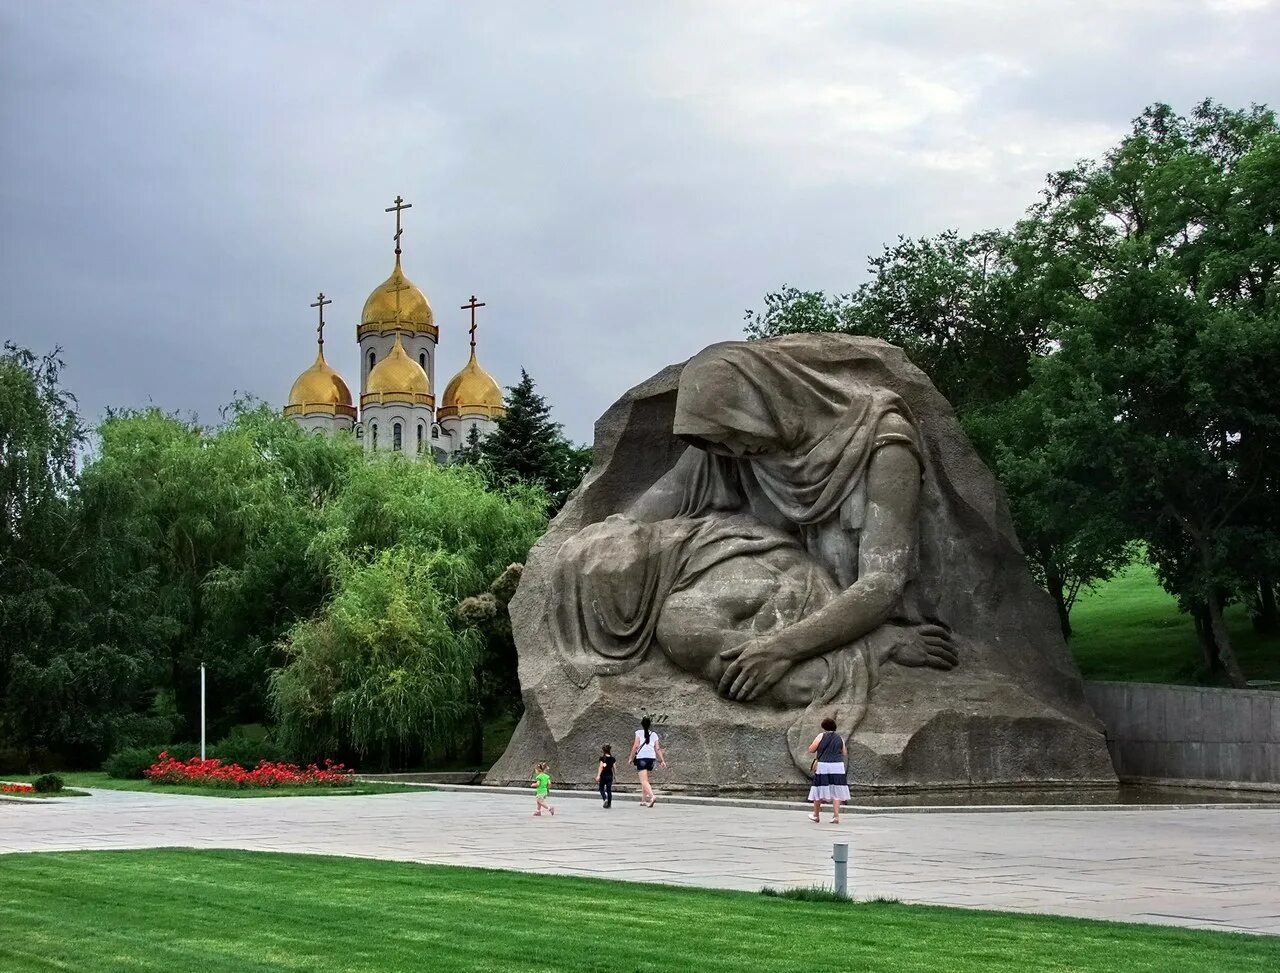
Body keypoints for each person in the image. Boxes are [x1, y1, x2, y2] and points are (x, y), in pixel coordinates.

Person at [807, 716, 850, 824]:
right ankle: (836, 816)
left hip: (824, 765)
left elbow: (811, 749)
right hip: (838, 766)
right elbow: (844, 753)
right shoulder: (839, 738)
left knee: (818, 789)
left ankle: (816, 815)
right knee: (837, 791)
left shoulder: (821, 735)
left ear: (824, 727)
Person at [628, 716, 667, 807]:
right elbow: (657, 748)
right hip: (651, 759)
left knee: (644, 781)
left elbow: (636, 746)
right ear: (650, 724)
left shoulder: (638, 733)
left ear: (642, 724)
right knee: (645, 780)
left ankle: (652, 796)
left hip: (642, 758)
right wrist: (662, 760)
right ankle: (643, 800)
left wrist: (630, 757)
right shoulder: (654, 734)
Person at [596, 744, 616, 809]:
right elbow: (614, 768)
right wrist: (615, 775)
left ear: (603, 750)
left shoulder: (602, 758)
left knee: (601, 788)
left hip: (603, 776)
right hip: (610, 775)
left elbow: (601, 767)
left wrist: (598, 775)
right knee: (609, 790)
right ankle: (609, 804)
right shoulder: (612, 759)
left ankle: (605, 799)